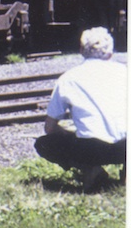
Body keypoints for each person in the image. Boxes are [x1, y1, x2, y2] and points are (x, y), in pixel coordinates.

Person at [35, 27, 127, 188]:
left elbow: (49, 128)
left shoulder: (68, 78)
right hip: (126, 146)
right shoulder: (125, 72)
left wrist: (70, 133)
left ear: (81, 50)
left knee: (44, 143)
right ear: (110, 54)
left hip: (91, 149)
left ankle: (92, 169)